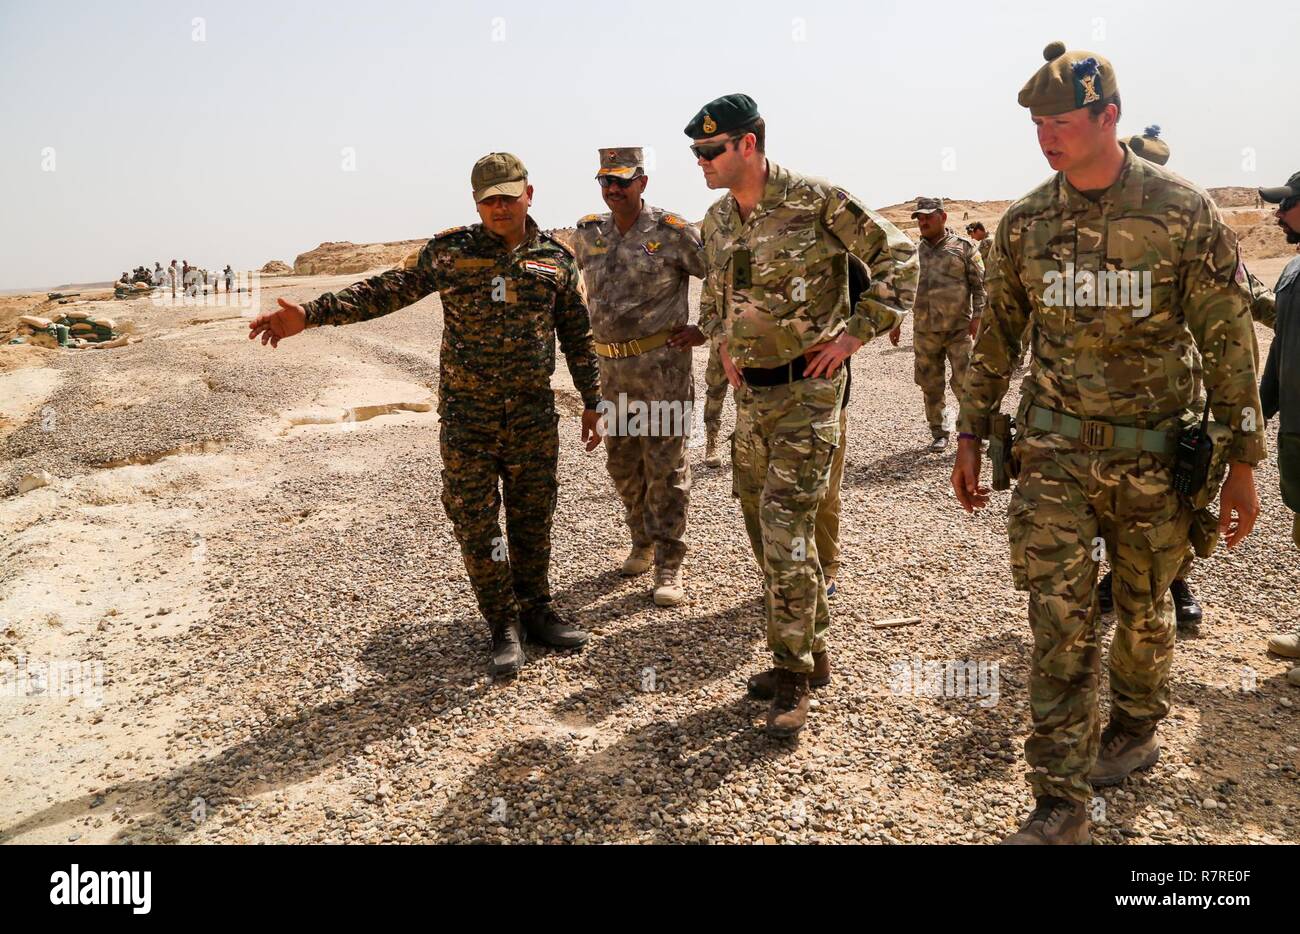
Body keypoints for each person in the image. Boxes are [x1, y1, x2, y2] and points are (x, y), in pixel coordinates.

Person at [952, 42, 1264, 844]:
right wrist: (969, 431)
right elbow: (997, 339)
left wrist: (1242, 465)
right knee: (1055, 617)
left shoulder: (1182, 211)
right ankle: (1056, 795)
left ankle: (1134, 726)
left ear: (1108, 117)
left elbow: (1228, 341)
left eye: (1061, 121)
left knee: (1144, 608)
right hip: (1053, 455)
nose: (1047, 136)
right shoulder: (1024, 223)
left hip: (1157, 458)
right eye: (1037, 124)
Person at [247, 154, 604, 677]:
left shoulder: (555, 259)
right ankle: (502, 624)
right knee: (477, 523)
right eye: (489, 199)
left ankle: (538, 611)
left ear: (530, 193)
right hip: (468, 419)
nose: (499, 207)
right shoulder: (449, 252)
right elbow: (382, 292)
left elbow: (576, 332)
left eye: (508, 195)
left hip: (531, 417)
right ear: (476, 202)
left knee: (532, 518)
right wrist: (312, 313)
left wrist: (593, 400)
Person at [690, 93, 916, 736]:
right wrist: (724, 340)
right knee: (763, 534)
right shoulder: (716, 219)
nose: (702, 162)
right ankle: (811, 651)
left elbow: (900, 259)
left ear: (750, 145)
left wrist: (854, 334)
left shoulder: (818, 200)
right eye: (697, 153)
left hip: (808, 395)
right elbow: (716, 289)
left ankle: (792, 677)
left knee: (787, 530)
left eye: (712, 150)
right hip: (752, 398)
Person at [571, 147, 705, 607]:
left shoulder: (672, 232)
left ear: (642, 183)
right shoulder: (588, 234)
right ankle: (642, 541)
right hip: (613, 373)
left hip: (662, 371)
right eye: (606, 182)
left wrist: (705, 327)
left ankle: (670, 562)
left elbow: (722, 276)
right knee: (624, 466)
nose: (613, 190)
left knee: (665, 468)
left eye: (622, 182)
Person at [1096, 124, 1202, 630]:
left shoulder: (1184, 221)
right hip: (1099, 394)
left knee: (1174, 491)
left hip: (1168, 392)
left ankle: (1175, 582)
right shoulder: (1087, 223)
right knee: (1105, 490)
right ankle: (1108, 578)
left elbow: (1234, 301)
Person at [890, 197, 985, 451]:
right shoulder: (912, 253)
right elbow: (902, 291)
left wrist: (978, 317)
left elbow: (980, 286)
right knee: (931, 385)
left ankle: (972, 433)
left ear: (942, 217)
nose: (923, 222)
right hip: (925, 331)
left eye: (928, 217)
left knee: (965, 383)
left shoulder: (963, 248)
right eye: (919, 218)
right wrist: (896, 321)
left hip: (959, 330)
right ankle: (939, 432)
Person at [1257, 171, 1300, 687]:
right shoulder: (1292, 269)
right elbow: (1281, 346)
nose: (1277, 214)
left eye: (1286, 204)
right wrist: (1256, 412)